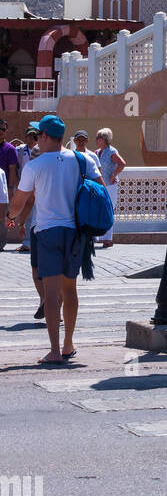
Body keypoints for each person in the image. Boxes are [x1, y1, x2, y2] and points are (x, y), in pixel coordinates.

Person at [6, 113, 105, 366]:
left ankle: (54, 351)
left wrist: (10, 217)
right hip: (75, 232)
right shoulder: (82, 160)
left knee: (51, 294)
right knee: (70, 289)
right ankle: (68, 345)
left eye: (39, 135)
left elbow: (19, 201)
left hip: (48, 231)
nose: (36, 139)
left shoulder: (35, 166)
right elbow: (101, 188)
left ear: (47, 137)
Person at [94, 129, 126, 247]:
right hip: (100, 185)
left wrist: (114, 175)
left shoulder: (111, 151)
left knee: (109, 210)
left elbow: (122, 163)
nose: (96, 140)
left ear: (105, 139)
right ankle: (98, 236)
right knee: (99, 210)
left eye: (99, 137)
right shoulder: (97, 152)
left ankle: (108, 239)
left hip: (110, 185)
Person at [15, 126, 40, 250]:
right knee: (27, 213)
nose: (31, 138)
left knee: (37, 214)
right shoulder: (19, 150)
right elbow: (15, 167)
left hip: (39, 187)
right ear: (25, 137)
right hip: (24, 186)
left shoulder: (41, 149)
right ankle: (27, 242)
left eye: (33, 135)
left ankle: (36, 243)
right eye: (29, 135)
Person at [0, 119, 20, 251]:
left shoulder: (10, 149)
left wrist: (11, 189)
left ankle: (1, 242)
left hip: (3, 188)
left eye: (3, 129)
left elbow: (12, 170)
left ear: (6, 131)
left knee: (1, 216)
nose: (0, 132)